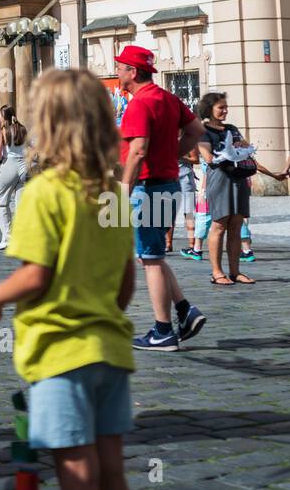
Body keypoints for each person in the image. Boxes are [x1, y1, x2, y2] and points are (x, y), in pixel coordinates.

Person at [0, 69, 134, 490]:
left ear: (47, 125)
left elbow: (36, 274)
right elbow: (126, 281)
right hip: (111, 351)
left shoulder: (44, 192)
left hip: (57, 355)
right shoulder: (113, 193)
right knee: (112, 471)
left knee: (77, 476)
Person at [116, 45, 207, 351]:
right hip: (168, 184)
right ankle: (185, 310)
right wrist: (173, 154)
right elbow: (196, 130)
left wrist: (122, 191)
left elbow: (138, 151)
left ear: (133, 72)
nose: (117, 72)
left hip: (147, 187)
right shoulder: (168, 98)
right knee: (152, 253)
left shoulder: (140, 104)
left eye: (121, 67)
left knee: (151, 259)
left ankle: (163, 330)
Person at [196, 91, 280, 285]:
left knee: (236, 224)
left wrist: (274, 175)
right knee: (219, 225)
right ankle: (217, 272)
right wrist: (230, 153)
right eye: (221, 107)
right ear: (210, 109)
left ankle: (235, 271)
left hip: (239, 180)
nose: (225, 111)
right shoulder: (203, 131)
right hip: (220, 179)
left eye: (226, 107)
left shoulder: (232, 129)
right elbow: (209, 159)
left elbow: (248, 154)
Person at [0, 104, 28, 250]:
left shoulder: (3, 130)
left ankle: (8, 238)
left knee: (1, 202)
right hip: (25, 165)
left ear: (4, 116)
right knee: (20, 205)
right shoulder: (22, 128)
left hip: (10, 164)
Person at [171, 147, 199, 255]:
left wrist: (180, 156)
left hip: (185, 178)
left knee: (188, 213)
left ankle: (192, 244)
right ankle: (167, 244)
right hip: (169, 177)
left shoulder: (188, 139)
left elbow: (196, 160)